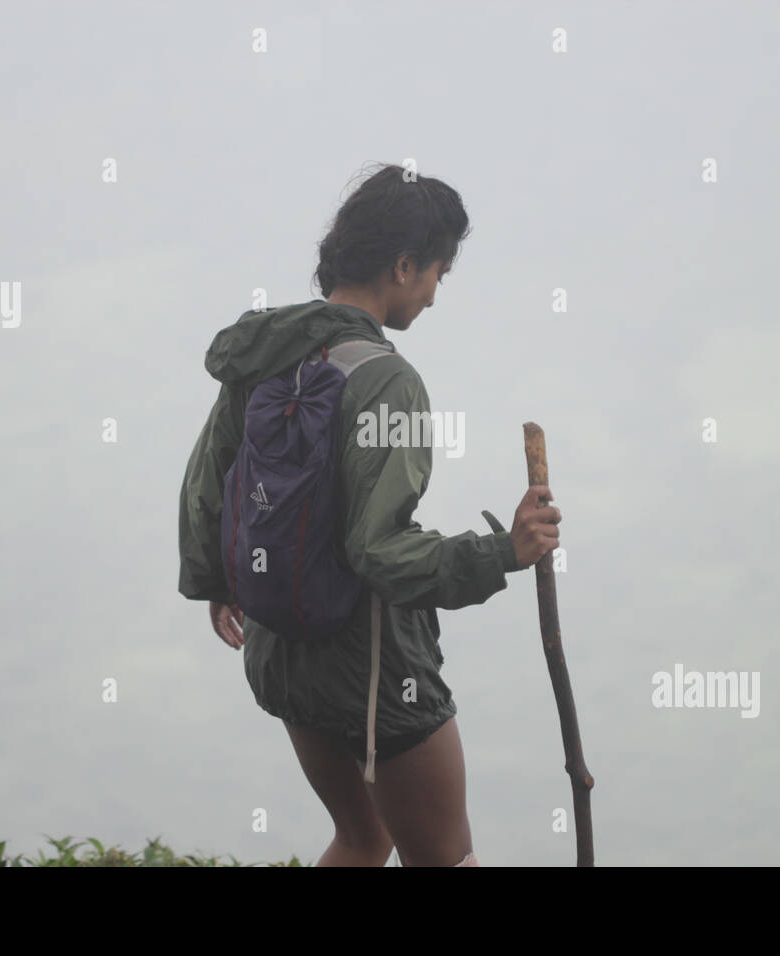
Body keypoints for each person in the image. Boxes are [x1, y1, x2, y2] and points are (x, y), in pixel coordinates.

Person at [178, 163, 562, 867]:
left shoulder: (264, 353)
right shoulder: (388, 380)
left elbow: (208, 480)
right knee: (445, 858)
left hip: (280, 647)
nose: (436, 296)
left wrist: (217, 582)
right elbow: (378, 550)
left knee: (362, 837)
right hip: (374, 665)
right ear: (405, 264)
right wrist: (503, 551)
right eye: (439, 275)